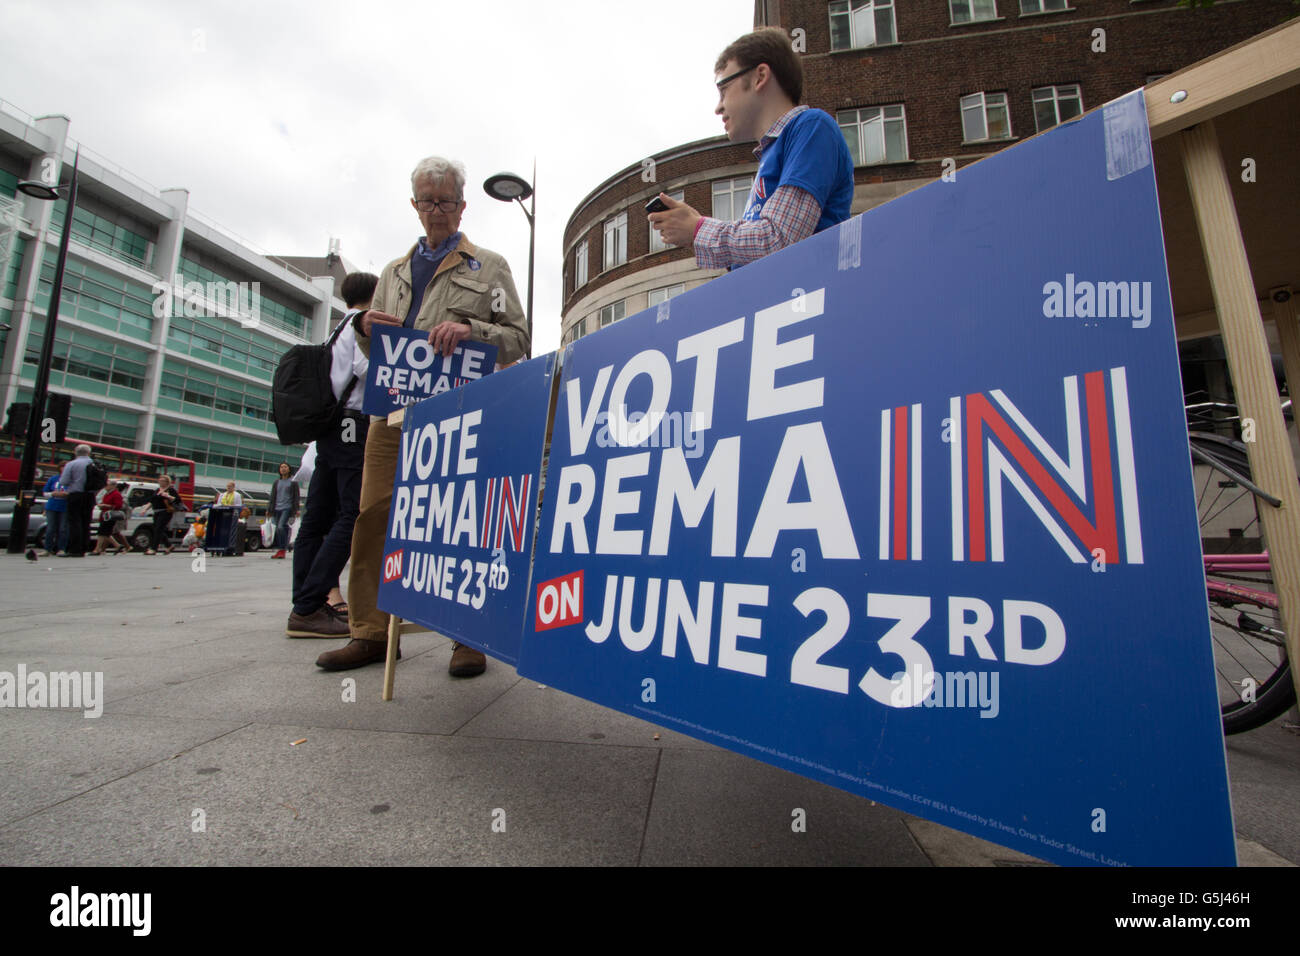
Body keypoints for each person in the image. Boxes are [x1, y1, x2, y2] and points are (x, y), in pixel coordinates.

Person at [315, 156, 528, 675]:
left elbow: (519, 339)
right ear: (414, 205)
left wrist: (472, 331)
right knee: (372, 519)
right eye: (428, 201)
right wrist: (365, 324)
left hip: (459, 415)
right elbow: (376, 349)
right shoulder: (391, 273)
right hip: (392, 415)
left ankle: (466, 637)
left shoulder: (491, 266)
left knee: (457, 520)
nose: (437, 211)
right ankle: (368, 632)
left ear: (462, 205)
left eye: (447, 201)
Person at [647, 26, 855, 271]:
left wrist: (697, 228)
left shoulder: (811, 127)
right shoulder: (773, 154)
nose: (718, 107)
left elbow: (778, 238)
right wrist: (694, 229)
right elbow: (759, 256)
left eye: (723, 89)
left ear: (760, 77)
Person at [286, 271, 376, 639]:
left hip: (329, 429)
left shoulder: (336, 328)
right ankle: (310, 604)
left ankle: (304, 604)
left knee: (316, 518)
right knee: (352, 514)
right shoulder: (361, 326)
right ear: (375, 296)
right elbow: (364, 369)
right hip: (352, 426)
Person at [58, 444, 95, 557]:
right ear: (88, 453)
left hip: (75, 495)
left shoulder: (72, 464)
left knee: (75, 522)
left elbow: (63, 481)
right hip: (89, 496)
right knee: (86, 522)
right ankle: (84, 547)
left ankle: (74, 549)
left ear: (75, 453)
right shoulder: (94, 463)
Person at [138, 475, 182, 555]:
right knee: (157, 529)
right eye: (160, 480)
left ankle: (153, 549)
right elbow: (152, 501)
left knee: (158, 529)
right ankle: (169, 546)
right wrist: (145, 509)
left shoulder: (171, 490)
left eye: (163, 481)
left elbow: (177, 500)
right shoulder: (157, 490)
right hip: (157, 512)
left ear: (167, 482)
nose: (161, 482)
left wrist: (168, 496)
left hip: (166, 511)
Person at [267, 462, 299, 559]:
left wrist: (296, 509)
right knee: (278, 529)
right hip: (277, 508)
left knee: (281, 527)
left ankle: (283, 549)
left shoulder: (293, 481)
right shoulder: (277, 482)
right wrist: (269, 509)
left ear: (289, 469)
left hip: (287, 507)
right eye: (281, 467)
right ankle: (281, 550)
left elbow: (296, 497)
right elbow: (273, 496)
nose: (283, 469)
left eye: (285, 467)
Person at [93, 481, 130, 554]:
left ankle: (98, 549)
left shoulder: (116, 494)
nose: (105, 487)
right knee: (104, 533)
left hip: (110, 516)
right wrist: (102, 506)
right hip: (104, 514)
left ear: (113, 486)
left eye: (107, 485)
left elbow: (118, 506)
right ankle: (116, 546)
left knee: (103, 533)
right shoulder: (106, 494)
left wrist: (106, 506)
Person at [41, 467, 69, 556]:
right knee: (50, 529)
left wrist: (67, 494)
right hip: (52, 506)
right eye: (63, 467)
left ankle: (61, 549)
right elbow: (45, 493)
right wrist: (52, 494)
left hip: (65, 507)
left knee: (63, 529)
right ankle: (47, 549)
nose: (64, 469)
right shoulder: (53, 479)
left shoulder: (72, 480)